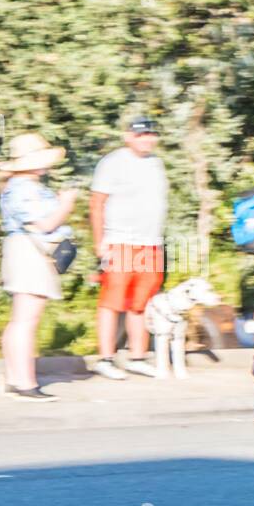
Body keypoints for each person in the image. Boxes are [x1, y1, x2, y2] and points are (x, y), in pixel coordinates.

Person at [0, 133, 77, 402]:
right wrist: (65, 204)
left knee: (19, 320)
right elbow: (44, 225)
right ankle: (25, 384)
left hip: (23, 250)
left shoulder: (19, 186)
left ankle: (14, 378)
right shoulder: (24, 188)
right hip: (30, 253)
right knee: (26, 321)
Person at [89, 115, 169, 380]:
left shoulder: (156, 163)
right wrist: (100, 241)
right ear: (127, 136)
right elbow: (97, 203)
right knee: (112, 302)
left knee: (141, 303)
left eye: (150, 134)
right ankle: (105, 357)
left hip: (150, 242)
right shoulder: (112, 163)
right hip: (120, 241)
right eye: (140, 134)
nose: (146, 139)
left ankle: (137, 355)